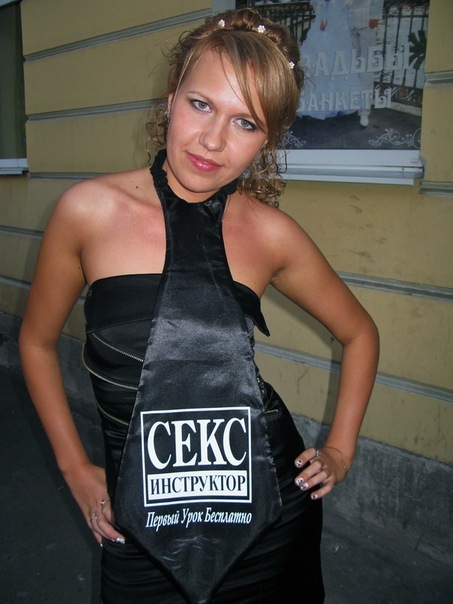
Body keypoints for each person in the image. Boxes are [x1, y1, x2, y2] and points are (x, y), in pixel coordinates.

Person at [19, 7, 379, 604]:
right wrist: (74, 468)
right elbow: (34, 342)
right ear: (170, 99)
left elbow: (360, 332)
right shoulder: (88, 212)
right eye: (201, 104)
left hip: (266, 515)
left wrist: (340, 449)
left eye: (245, 122)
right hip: (137, 521)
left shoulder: (270, 235)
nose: (214, 140)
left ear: (268, 139)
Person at [297, 0, 363, 120]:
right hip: (330, 24)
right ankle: (325, 102)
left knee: (339, 59)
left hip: (340, 25)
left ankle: (338, 102)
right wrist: (323, 19)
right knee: (327, 58)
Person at [345, 0, 385, 127]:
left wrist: (375, 16)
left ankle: (364, 111)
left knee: (366, 68)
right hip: (350, 23)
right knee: (353, 66)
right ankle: (354, 104)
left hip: (367, 22)